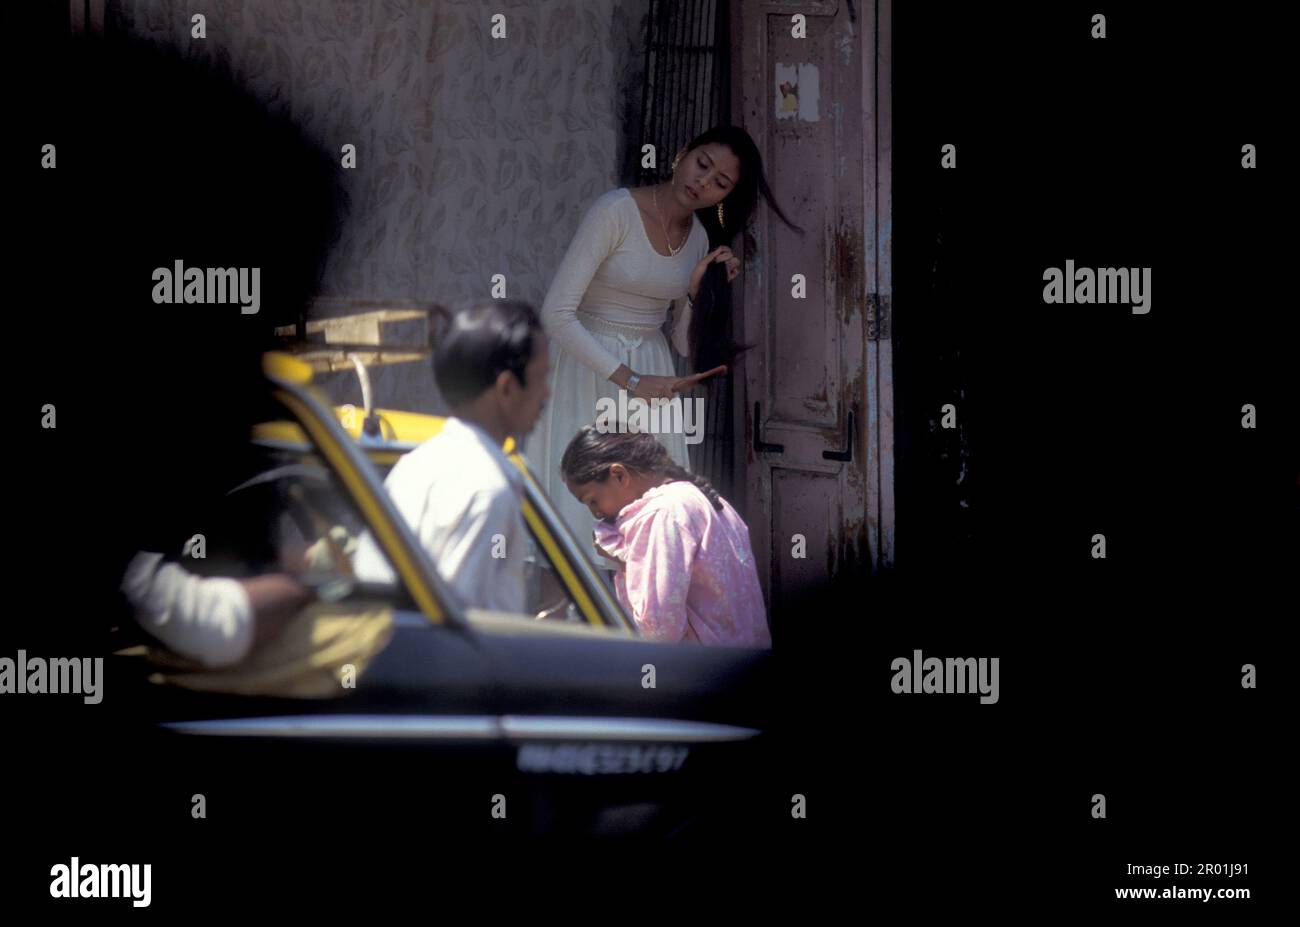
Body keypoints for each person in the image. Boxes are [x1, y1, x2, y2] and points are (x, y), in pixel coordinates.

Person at [526, 126, 802, 565]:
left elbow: (680, 341)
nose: (702, 182)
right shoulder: (615, 210)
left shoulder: (698, 239)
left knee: (642, 542)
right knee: (572, 542)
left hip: (649, 377)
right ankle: (559, 632)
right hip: (589, 368)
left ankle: (633, 631)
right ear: (683, 154)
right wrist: (629, 379)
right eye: (702, 164)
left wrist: (697, 293)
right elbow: (556, 313)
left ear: (725, 197)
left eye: (720, 183)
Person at [351, 301, 550, 615]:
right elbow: (458, 634)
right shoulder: (487, 489)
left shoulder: (416, 464)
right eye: (541, 379)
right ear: (507, 388)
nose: (547, 394)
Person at [560, 426, 771, 648]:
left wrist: (628, 562)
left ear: (619, 475)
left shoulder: (661, 515)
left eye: (592, 500)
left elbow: (658, 631)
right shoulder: (699, 500)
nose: (596, 513)